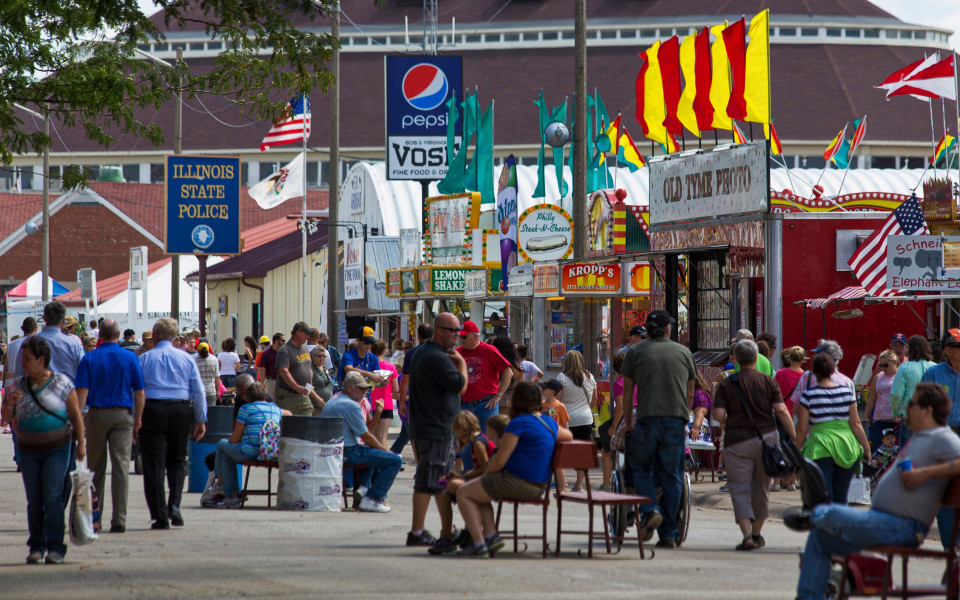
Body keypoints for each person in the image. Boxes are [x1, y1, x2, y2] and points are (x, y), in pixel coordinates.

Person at [788, 383, 960, 600]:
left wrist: (925, 474)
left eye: (912, 404)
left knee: (828, 513)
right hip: (885, 521)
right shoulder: (922, 437)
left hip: (901, 526)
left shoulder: (942, 437)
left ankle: (812, 516)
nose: (905, 409)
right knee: (820, 537)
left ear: (927, 410)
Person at [455, 381, 574, 558]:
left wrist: (484, 474)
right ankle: (490, 536)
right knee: (478, 493)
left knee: (463, 492)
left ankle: (479, 544)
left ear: (516, 400)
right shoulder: (548, 422)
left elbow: (499, 461)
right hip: (539, 486)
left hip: (516, 481)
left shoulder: (518, 423)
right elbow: (569, 436)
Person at [1, 336, 86, 564]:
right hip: (29, 450)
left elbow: (75, 414)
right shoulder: (16, 385)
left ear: (42, 360)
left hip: (57, 449)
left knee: (53, 497)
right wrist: (10, 404)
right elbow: (5, 418)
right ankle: (36, 546)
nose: (24, 364)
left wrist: (81, 444)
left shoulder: (61, 383)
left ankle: (56, 547)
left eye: (28, 359)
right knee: (35, 499)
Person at [622, 309, 696, 549]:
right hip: (675, 420)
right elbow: (690, 392)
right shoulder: (684, 352)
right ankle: (668, 533)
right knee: (672, 474)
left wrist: (628, 424)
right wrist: (685, 417)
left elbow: (627, 392)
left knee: (640, 466)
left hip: (647, 418)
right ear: (668, 329)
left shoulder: (635, 352)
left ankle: (650, 507)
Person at [712, 340, 796, 551]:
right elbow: (782, 411)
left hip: (737, 442)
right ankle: (757, 533)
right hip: (766, 440)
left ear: (736, 359)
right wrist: (795, 437)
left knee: (739, 491)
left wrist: (725, 418)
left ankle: (747, 535)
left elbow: (719, 415)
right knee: (762, 490)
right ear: (756, 358)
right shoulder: (769, 381)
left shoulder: (727, 384)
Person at [73, 319, 144, 535]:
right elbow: (139, 392)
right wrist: (138, 419)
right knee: (121, 467)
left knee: (95, 467)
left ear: (100, 335)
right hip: (122, 415)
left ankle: (95, 518)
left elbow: (82, 391)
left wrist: (78, 418)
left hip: (96, 414)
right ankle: (119, 520)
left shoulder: (90, 357)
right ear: (119, 334)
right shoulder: (130, 357)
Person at [138, 317, 207, 530]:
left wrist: (135, 417)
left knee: (153, 463)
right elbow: (199, 390)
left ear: (156, 334)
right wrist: (201, 418)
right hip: (180, 409)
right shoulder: (186, 359)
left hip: (152, 409)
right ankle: (174, 505)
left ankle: (159, 515)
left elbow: (137, 391)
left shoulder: (145, 358)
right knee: (178, 458)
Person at [406, 313, 468, 547]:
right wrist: (461, 363)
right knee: (430, 479)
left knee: (440, 479)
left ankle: (447, 529)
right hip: (435, 428)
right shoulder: (437, 357)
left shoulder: (425, 352)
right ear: (439, 331)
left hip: (430, 426)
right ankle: (418, 532)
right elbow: (461, 386)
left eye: (459, 331)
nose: (457, 335)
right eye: (453, 330)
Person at [795, 353, 870, 504]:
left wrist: (797, 452)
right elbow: (855, 423)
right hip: (848, 447)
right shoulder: (846, 392)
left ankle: (826, 525)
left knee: (824, 495)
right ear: (832, 370)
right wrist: (866, 448)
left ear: (814, 372)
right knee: (841, 497)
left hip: (820, 447)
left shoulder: (809, 395)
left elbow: (802, 429)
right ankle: (840, 525)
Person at [324, 371, 403, 513]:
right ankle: (372, 499)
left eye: (366, 388)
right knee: (395, 460)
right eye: (361, 388)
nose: (364, 392)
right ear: (349, 388)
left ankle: (364, 489)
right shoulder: (352, 406)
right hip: (348, 452)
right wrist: (385, 451)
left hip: (332, 452)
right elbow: (366, 435)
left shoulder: (332, 401)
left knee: (374, 455)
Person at [204, 383, 289, 509]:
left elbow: (234, 438)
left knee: (222, 444)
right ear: (265, 397)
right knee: (226, 457)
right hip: (270, 452)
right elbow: (289, 413)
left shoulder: (246, 409)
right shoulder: (274, 408)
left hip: (250, 452)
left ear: (248, 398)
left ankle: (223, 487)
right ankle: (229, 495)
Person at [429, 411, 496, 555]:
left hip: (487, 482)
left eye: (456, 434)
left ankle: (447, 537)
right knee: (443, 490)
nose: (456, 437)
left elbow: (484, 469)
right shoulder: (476, 441)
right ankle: (447, 535)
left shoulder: (478, 443)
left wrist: (462, 475)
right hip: (484, 480)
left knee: (445, 492)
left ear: (461, 431)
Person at [456, 320, 513, 434]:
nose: (461, 340)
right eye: (460, 336)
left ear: (474, 336)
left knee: (488, 442)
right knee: (465, 443)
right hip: (465, 405)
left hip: (486, 405)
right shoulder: (457, 353)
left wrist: (498, 396)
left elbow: (508, 372)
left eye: (464, 336)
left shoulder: (489, 350)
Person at [556, 349, 598, 492]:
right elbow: (594, 400)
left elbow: (557, 401)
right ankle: (579, 485)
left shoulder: (561, 378)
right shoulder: (590, 377)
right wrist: (586, 409)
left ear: (566, 362)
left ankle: (562, 481)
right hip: (585, 419)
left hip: (567, 420)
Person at [394, 323, 434, 459]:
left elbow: (405, 379)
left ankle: (420, 465)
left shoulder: (411, 353)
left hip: (415, 400)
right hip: (434, 399)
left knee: (416, 435)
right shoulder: (439, 351)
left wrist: (402, 402)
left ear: (418, 335)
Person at [4, 316, 38, 471]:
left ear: (22, 329)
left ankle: (19, 457)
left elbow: (6, 370)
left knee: (15, 425)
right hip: (33, 388)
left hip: (14, 388)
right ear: (35, 329)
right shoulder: (38, 344)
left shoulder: (11, 346)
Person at [890, 335, 936, 446]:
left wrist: (895, 412)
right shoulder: (935, 367)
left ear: (909, 349)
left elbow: (896, 394)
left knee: (908, 459)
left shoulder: (904, 368)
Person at [773, 346, 806, 491]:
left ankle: (777, 482)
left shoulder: (780, 374)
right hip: (798, 416)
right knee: (795, 449)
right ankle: (792, 482)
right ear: (803, 360)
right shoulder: (806, 376)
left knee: (778, 447)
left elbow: (773, 393)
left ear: (789, 358)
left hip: (782, 415)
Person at [275, 322, 325, 416]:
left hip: (304, 396)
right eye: (306, 333)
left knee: (306, 423)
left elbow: (308, 369)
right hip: (289, 396)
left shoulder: (305, 349)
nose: (308, 337)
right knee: (290, 426)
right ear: (298, 332)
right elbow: (284, 371)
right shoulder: (285, 350)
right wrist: (297, 387)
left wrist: (314, 394)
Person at [790, 339, 856, 408]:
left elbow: (797, 407)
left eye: (817, 354)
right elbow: (852, 412)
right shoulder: (847, 382)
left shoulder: (806, 377)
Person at [539, 378, 571, 490]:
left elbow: (565, 423)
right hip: (542, 439)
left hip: (556, 439)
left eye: (545, 388)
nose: (542, 389)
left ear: (553, 391)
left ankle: (562, 488)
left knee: (558, 465)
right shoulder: (540, 405)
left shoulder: (560, 406)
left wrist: (565, 440)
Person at [865, 349, 899, 452]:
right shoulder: (878, 377)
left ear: (894, 362)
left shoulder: (900, 375)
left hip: (896, 420)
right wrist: (867, 415)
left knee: (896, 451)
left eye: (886, 365)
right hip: (880, 419)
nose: (883, 368)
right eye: (881, 365)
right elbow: (872, 398)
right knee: (878, 451)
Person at [370, 339, 398, 448]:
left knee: (374, 438)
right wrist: (387, 389)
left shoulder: (369, 367)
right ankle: (383, 462)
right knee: (383, 437)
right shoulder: (391, 367)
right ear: (384, 351)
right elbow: (396, 389)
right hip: (386, 404)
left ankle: (375, 462)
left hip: (371, 404)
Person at [490, 336, 523, 416]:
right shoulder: (518, 368)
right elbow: (520, 389)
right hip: (513, 404)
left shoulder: (496, 366)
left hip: (494, 402)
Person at [309, 346, 333, 411]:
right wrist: (318, 399)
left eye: (324, 356)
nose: (322, 358)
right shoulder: (310, 369)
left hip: (328, 407)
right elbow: (307, 387)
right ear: (312, 356)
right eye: (319, 356)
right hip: (316, 407)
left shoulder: (325, 370)